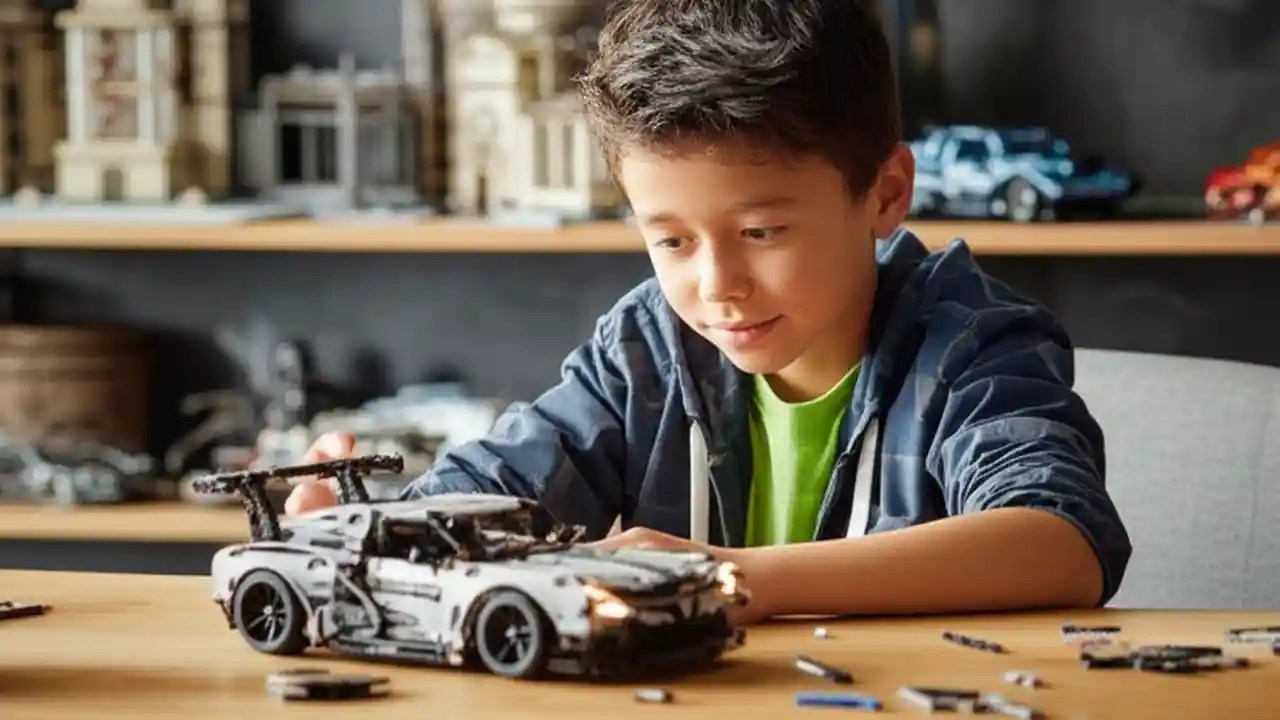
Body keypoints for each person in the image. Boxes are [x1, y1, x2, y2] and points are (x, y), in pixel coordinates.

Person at [287, 0, 1131, 624]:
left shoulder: (971, 345)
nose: (717, 284)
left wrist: (732, 576)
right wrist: (362, 527)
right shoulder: (646, 346)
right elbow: (496, 490)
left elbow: (1061, 544)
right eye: (673, 241)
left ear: (886, 193)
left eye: (762, 230)